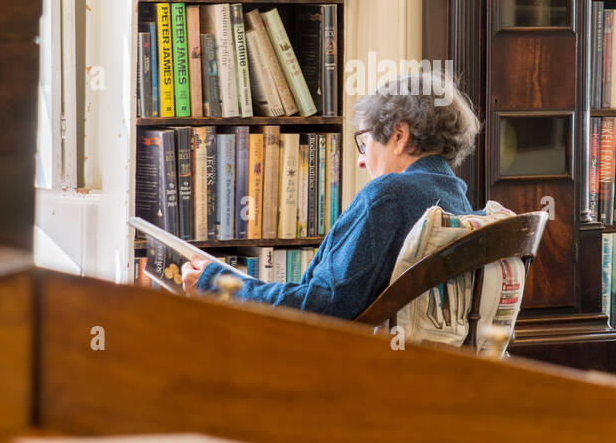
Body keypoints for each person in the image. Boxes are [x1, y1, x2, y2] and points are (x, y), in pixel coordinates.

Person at [181, 71, 481, 319]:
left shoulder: (388, 196)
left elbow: (322, 308)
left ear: (399, 136)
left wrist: (219, 282)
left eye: (365, 142)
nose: (362, 160)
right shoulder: (461, 203)